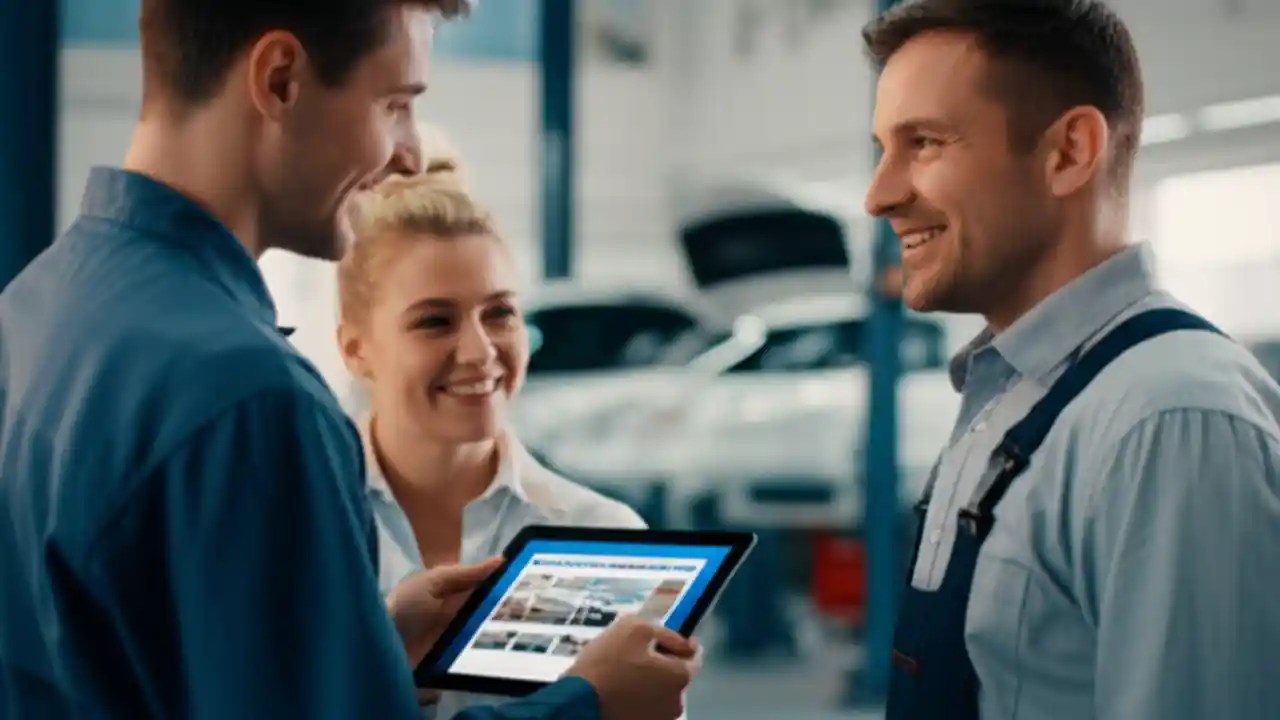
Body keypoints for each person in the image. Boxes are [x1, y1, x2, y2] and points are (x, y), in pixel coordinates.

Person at [0, 1, 698, 719]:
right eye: (395, 104)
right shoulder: (250, 397)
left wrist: (364, 648)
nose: (411, 155)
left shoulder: (35, 308)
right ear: (279, 80)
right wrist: (589, 703)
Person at [861, 1, 1280, 718]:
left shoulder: (1170, 418)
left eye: (924, 143)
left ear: (1069, 152)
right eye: (883, 150)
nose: (879, 195)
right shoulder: (1009, 395)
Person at [336, 166, 652, 718]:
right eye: (435, 321)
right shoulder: (299, 529)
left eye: (499, 313)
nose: (480, 351)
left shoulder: (603, 536)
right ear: (356, 350)